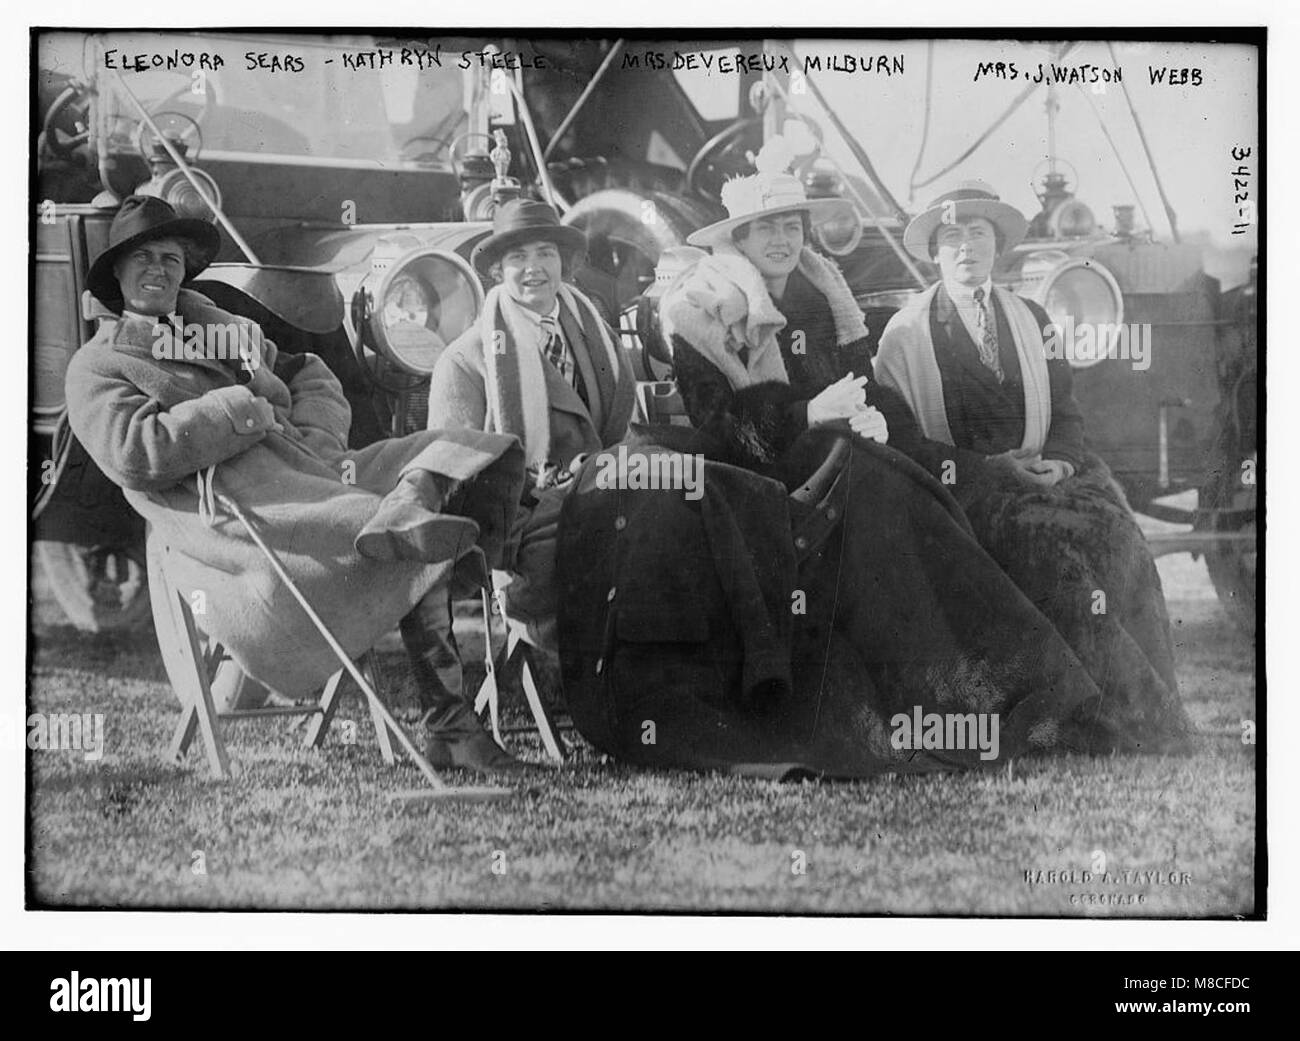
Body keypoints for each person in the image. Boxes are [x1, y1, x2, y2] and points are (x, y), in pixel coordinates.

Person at [554, 155, 1165, 779]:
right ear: (738, 237)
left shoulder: (825, 292)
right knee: (893, 504)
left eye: (791, 226)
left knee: (924, 496)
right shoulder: (702, 309)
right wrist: (808, 413)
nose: (782, 240)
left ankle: (1020, 698)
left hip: (848, 456)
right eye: (766, 229)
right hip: (769, 478)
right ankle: (969, 701)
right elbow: (720, 427)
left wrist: (886, 424)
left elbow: (869, 389)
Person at [64, 196, 529, 775]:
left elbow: (307, 371)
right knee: (401, 529)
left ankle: (417, 523)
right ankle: (452, 724)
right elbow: (136, 454)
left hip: (314, 474)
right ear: (115, 270)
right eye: (143, 259)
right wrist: (241, 407)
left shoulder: (220, 329)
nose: (159, 269)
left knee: (459, 449)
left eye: (171, 259)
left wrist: (318, 438)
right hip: (242, 518)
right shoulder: (99, 365)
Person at [875, 180, 1190, 746]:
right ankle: (1086, 719)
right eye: (953, 237)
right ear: (936, 253)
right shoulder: (904, 336)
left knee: (1117, 533)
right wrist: (992, 469)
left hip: (1045, 471)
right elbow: (903, 443)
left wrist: (1063, 466)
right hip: (965, 488)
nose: (967, 247)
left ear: (997, 246)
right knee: (1050, 548)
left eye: (978, 234)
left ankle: (1150, 712)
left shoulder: (1033, 318)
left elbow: (1066, 411)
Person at [426, 197, 636, 652]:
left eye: (545, 253)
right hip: (528, 544)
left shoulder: (601, 340)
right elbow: (457, 494)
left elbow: (625, 435)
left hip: (615, 505)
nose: (533, 268)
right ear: (499, 270)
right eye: (517, 257)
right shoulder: (465, 362)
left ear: (566, 262)